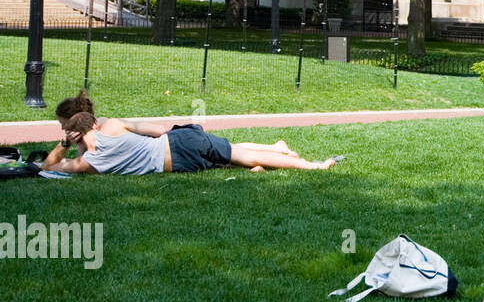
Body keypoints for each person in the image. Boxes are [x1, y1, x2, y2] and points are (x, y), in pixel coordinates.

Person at [45, 111, 339, 175]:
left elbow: (49, 167)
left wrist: (64, 144)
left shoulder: (87, 163)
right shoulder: (111, 125)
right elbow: (159, 131)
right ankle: (277, 149)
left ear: (73, 135)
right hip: (180, 144)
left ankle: (309, 165)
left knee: (241, 155)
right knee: (236, 155)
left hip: (181, 155)